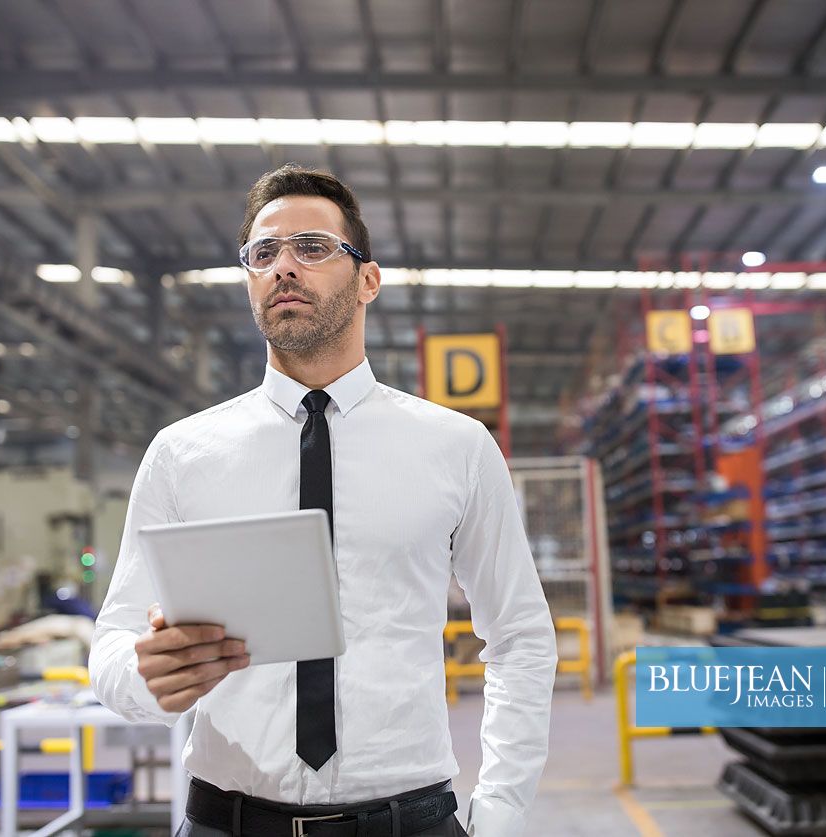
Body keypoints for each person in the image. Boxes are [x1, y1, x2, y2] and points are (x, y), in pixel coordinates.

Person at [90, 164, 557, 837]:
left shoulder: (455, 446)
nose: (284, 266)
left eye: (311, 247)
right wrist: (142, 679)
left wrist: (503, 811)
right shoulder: (182, 453)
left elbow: (517, 634)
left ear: (368, 279)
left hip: (409, 819)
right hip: (228, 820)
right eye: (263, 253)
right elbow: (113, 638)